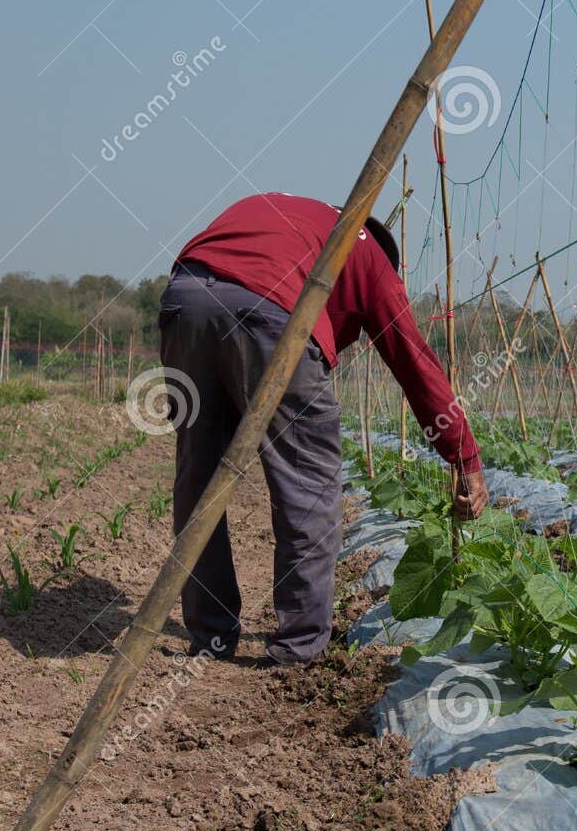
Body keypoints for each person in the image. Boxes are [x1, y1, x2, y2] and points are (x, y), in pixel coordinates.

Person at [157, 191, 488, 666]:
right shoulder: (371, 260)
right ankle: (299, 646)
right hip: (271, 313)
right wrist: (464, 456)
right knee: (306, 483)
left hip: (184, 299)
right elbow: (414, 362)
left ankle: (210, 635)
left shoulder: (291, 213)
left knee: (200, 476)